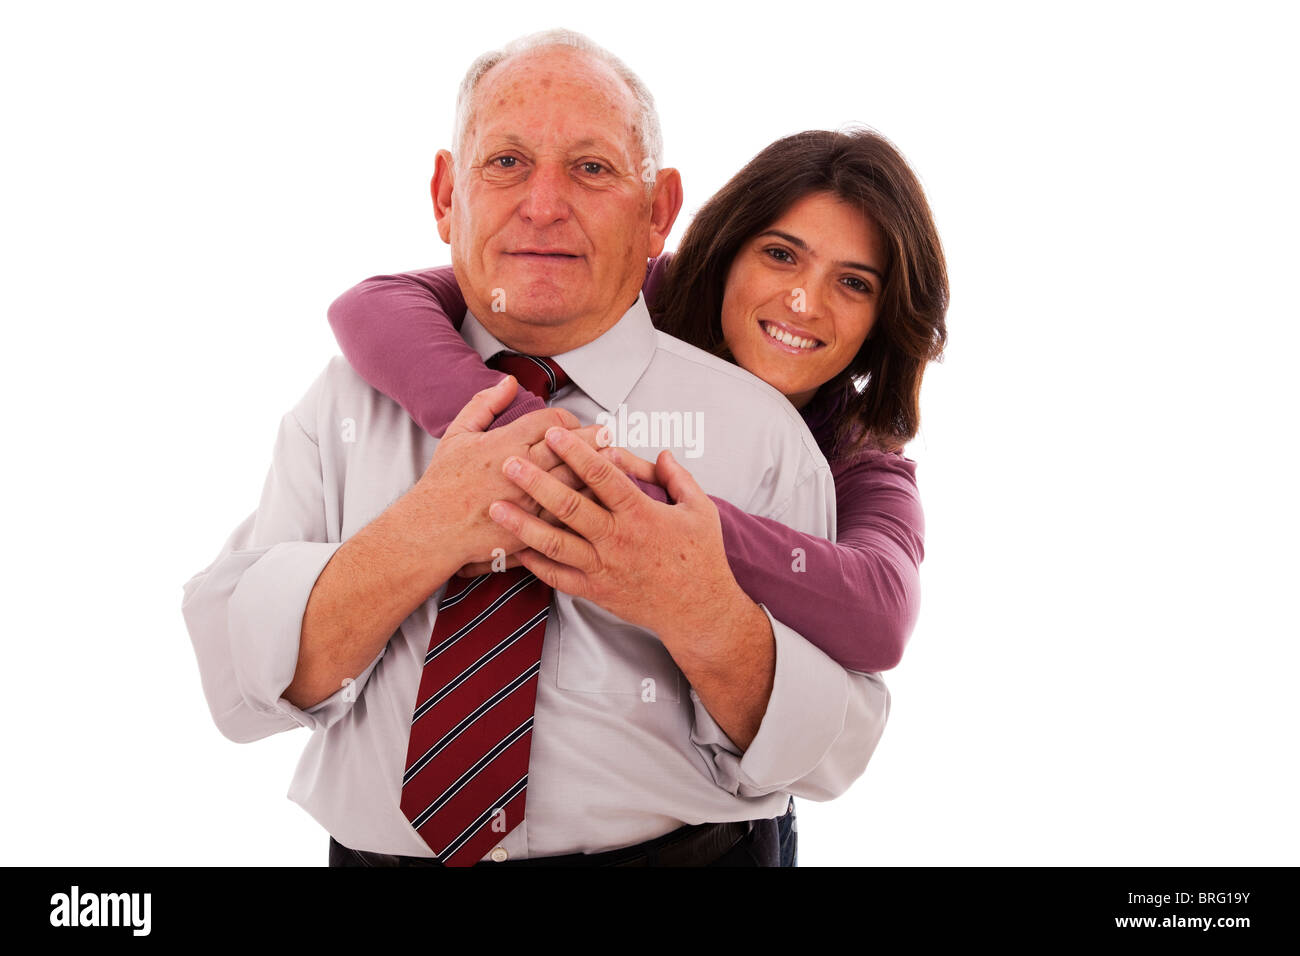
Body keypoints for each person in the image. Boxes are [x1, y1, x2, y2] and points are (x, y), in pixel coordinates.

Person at [181, 28, 891, 867]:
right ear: (448, 195)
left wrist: (700, 614)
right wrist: (423, 533)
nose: (543, 205)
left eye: (591, 168)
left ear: (657, 210)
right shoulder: (342, 402)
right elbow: (239, 689)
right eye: (507, 162)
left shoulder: (760, 431)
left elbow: (832, 752)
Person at [325, 128, 950, 866]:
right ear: (725, 253)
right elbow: (374, 306)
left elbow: (880, 613)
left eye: (854, 282)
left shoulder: (861, 458)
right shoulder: (636, 295)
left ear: (884, 317)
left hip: (710, 831)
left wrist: (656, 522)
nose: (803, 300)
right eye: (780, 254)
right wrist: (537, 441)